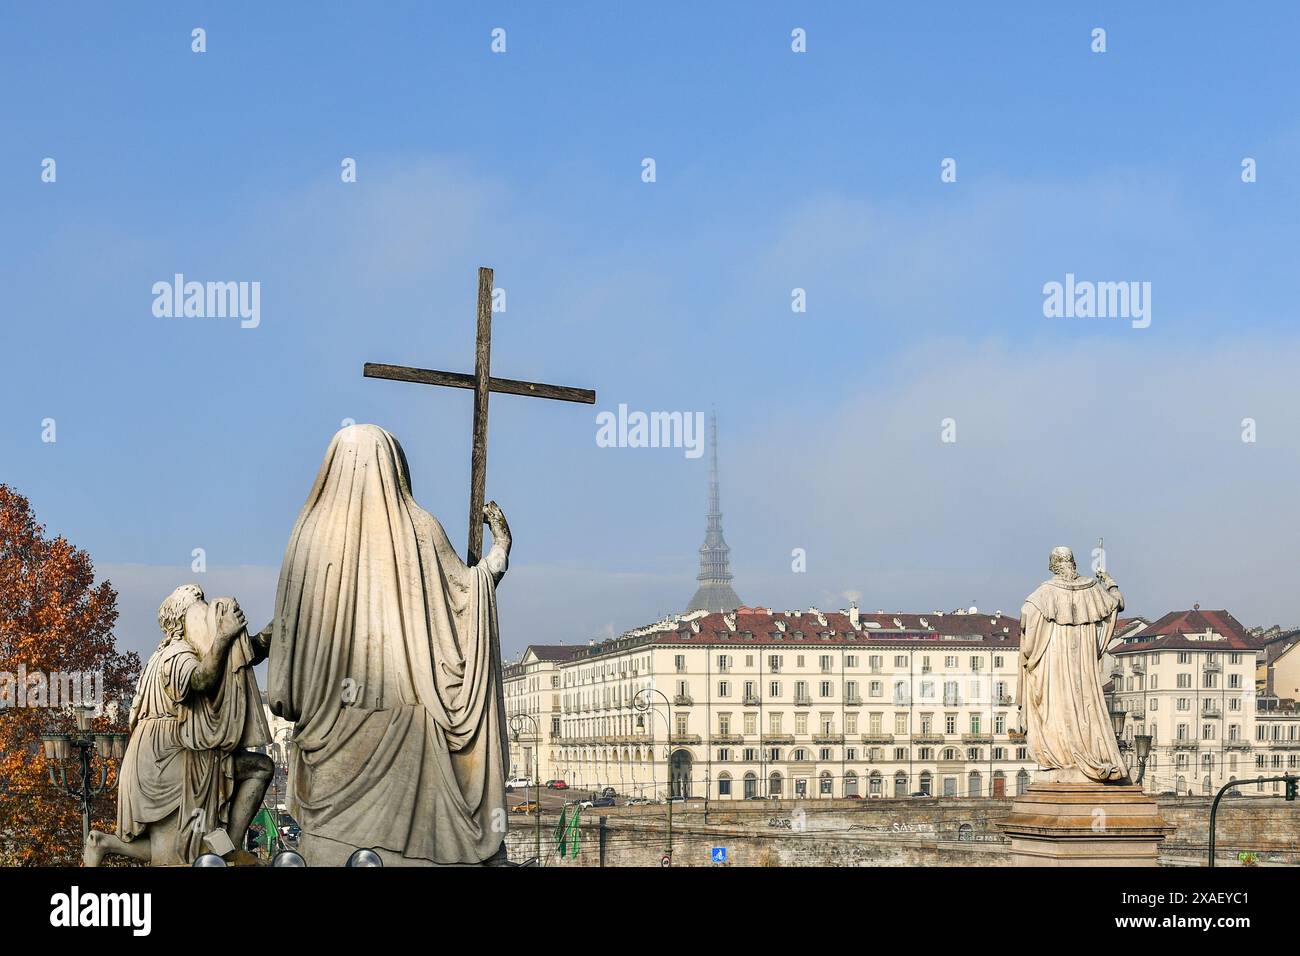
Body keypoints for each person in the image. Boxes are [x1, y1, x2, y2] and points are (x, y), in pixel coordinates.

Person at [268, 424, 512, 865]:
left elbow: (286, 638)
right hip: (410, 734)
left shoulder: (306, 536)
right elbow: (465, 597)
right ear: (397, 467)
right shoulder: (419, 527)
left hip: (330, 731)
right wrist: (498, 553)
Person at [1017, 547, 1128, 784]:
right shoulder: (1091, 590)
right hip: (1083, 670)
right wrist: (1109, 582)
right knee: (1086, 707)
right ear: (1072, 564)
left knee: (1059, 709)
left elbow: (1027, 619)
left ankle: (1066, 755)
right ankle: (1094, 752)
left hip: (1055, 665)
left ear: (1053, 565)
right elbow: (1117, 604)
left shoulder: (1043, 595)